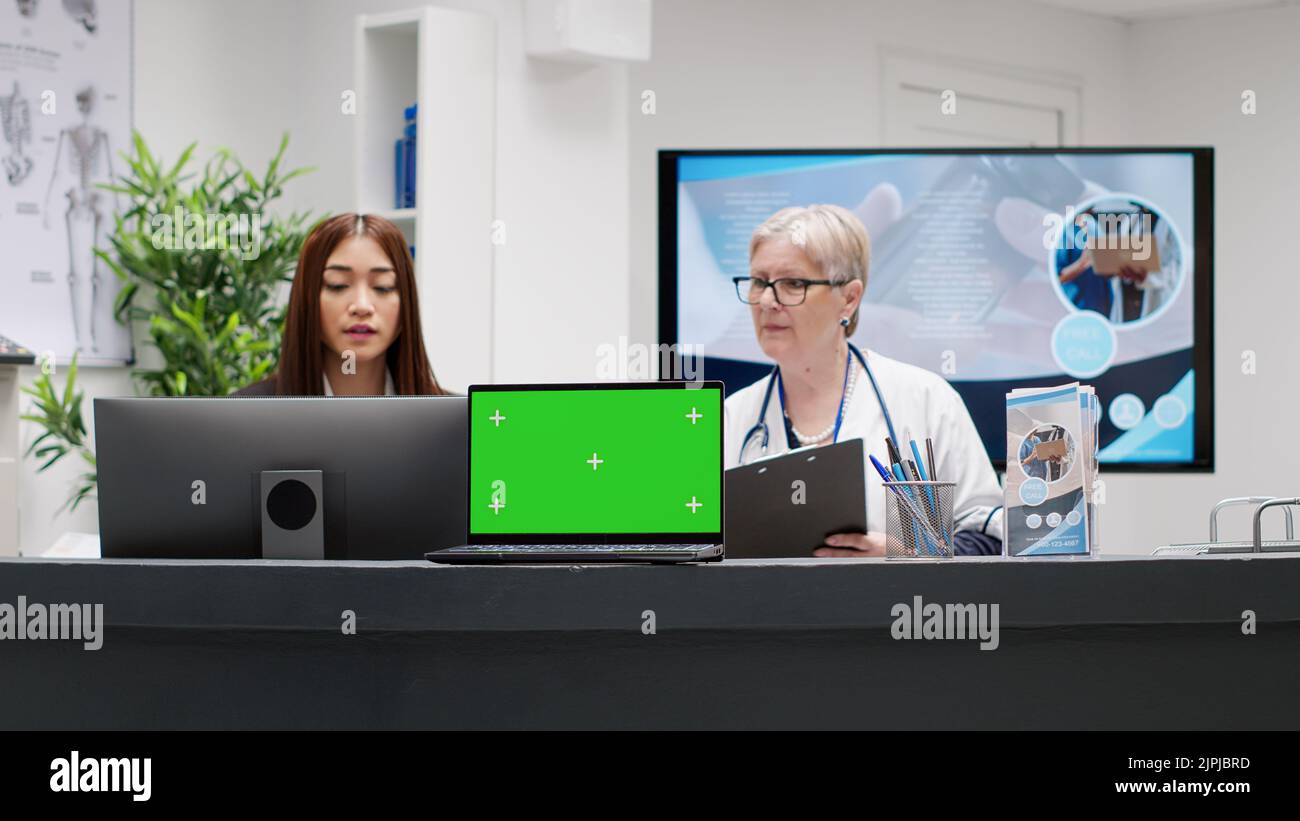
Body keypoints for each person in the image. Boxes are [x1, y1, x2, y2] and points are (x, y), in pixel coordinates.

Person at [723, 204, 1003, 556]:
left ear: (849, 298)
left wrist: (903, 555)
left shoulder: (926, 400)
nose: (767, 300)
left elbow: (989, 539)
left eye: (793, 284)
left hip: (905, 611)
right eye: (760, 282)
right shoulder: (728, 419)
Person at [235, 213, 448, 396]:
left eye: (383, 287)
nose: (362, 306)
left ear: (406, 305)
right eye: (338, 286)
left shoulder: (469, 419)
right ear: (308, 301)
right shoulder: (240, 416)